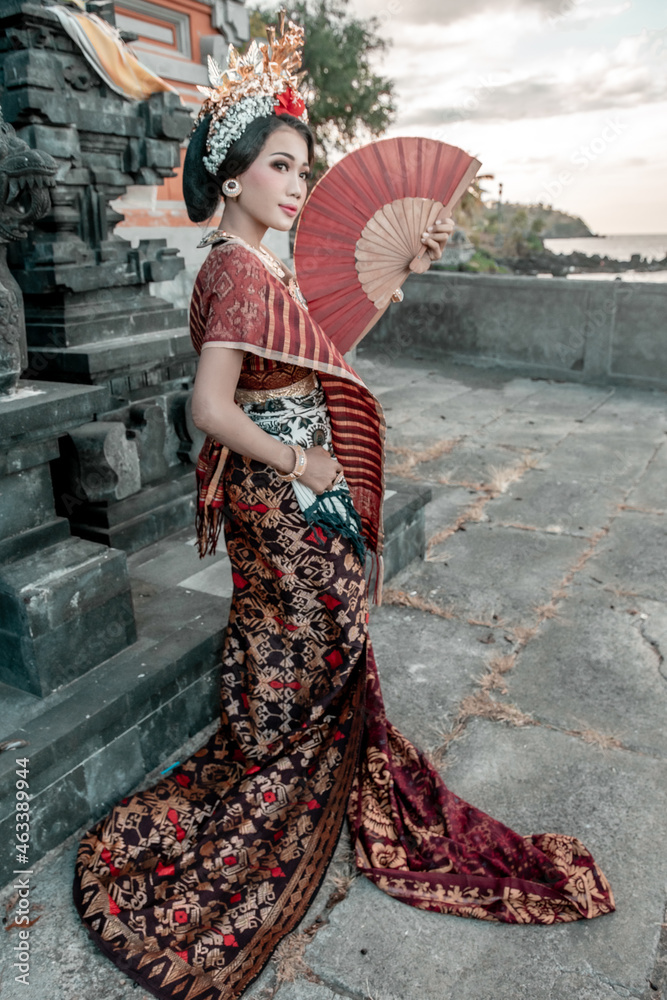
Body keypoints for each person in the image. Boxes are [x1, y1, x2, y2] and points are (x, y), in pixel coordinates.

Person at [72, 15, 614, 1000]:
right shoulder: (237, 272)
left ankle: (292, 751)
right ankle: (281, 766)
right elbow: (209, 409)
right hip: (282, 487)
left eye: (302, 169)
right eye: (279, 166)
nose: (295, 185)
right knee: (314, 630)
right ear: (231, 176)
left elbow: (313, 348)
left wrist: (404, 267)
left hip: (288, 485)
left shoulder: (258, 265)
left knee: (311, 629)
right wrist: (302, 462)